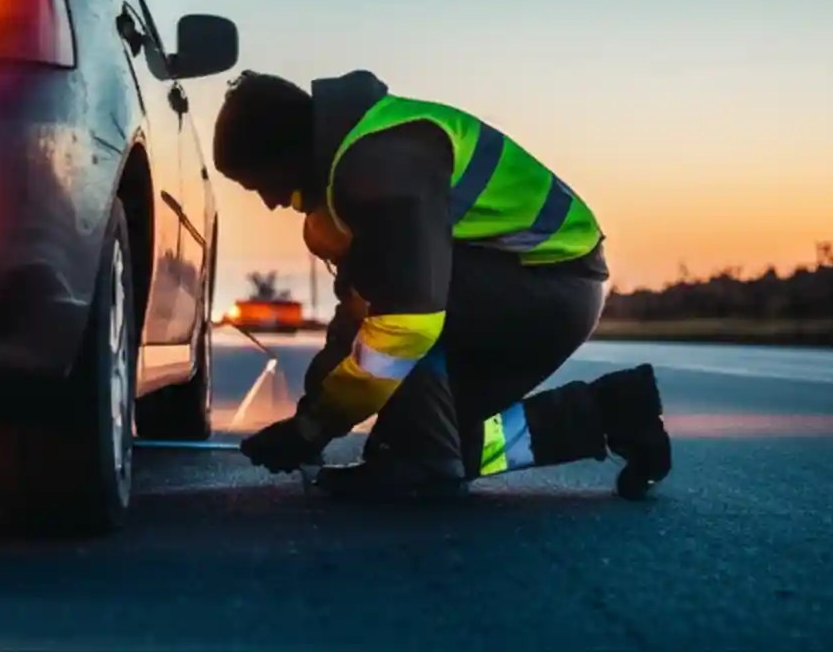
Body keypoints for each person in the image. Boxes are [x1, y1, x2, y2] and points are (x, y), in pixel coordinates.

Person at [211, 69, 671, 501]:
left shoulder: (380, 168)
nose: (270, 203)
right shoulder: (360, 160)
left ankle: (424, 463)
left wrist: (311, 429)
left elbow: (403, 324)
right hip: (527, 286)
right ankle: (612, 411)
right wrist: (309, 423)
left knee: (419, 450)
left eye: (260, 185)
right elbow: (353, 318)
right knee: (439, 446)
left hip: (547, 286)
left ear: (290, 152)